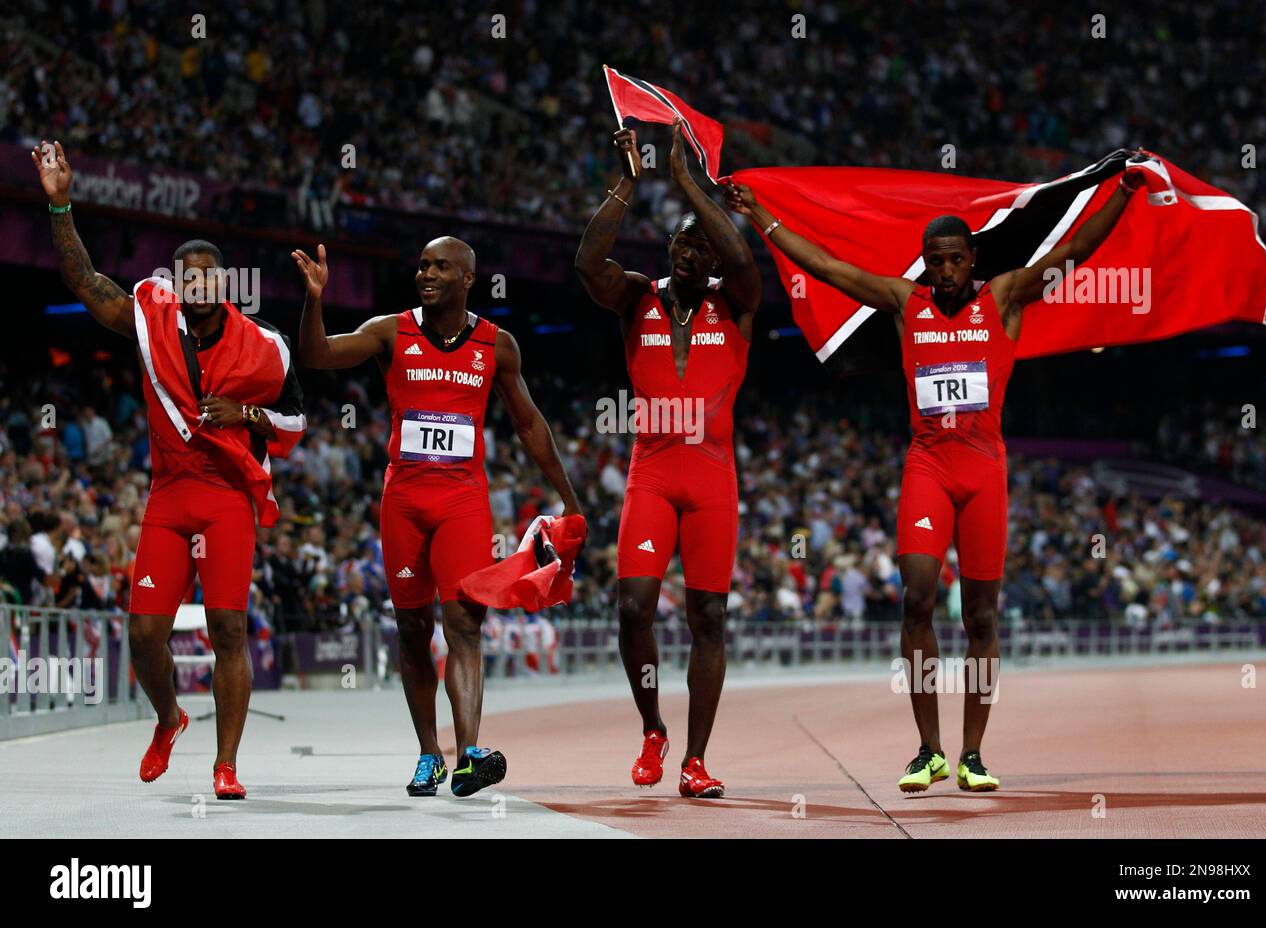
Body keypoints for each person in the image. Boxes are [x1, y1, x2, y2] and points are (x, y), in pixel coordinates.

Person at [727, 165, 1148, 792]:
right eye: (935, 260)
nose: (945, 270)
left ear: (971, 258)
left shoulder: (1003, 296)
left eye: (954, 259)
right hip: (928, 464)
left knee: (981, 616)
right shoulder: (905, 301)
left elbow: (1076, 251)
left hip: (984, 470)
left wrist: (1125, 190)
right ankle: (929, 749)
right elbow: (824, 266)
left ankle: (973, 754)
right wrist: (760, 215)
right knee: (917, 596)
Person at [32, 139, 306, 799]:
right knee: (144, 631)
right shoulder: (151, 323)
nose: (198, 284)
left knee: (229, 628)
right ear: (178, 285)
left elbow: (296, 423)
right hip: (168, 496)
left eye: (209, 273)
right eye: (187, 276)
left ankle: (227, 765)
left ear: (223, 281)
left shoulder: (265, 346)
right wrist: (62, 204)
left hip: (226, 498)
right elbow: (87, 284)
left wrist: (247, 415)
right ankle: (168, 717)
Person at [294, 237, 582, 798]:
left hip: (463, 501)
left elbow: (529, 425)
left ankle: (469, 751)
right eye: (422, 263)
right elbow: (317, 356)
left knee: (464, 623)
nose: (426, 273)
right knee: (411, 627)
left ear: (468, 278)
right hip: (403, 500)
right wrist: (313, 300)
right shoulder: (389, 330)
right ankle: (429, 752)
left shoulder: (496, 345)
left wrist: (568, 498)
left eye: (441, 266)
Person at [575, 121, 760, 798]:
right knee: (633, 608)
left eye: (704, 246)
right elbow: (587, 267)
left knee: (708, 619)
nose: (693, 254)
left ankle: (696, 759)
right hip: (653, 475)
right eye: (684, 241)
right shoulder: (636, 298)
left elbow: (744, 263)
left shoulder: (735, 305)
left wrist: (687, 181)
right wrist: (626, 188)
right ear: (670, 246)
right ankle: (653, 726)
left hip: (712, 481)